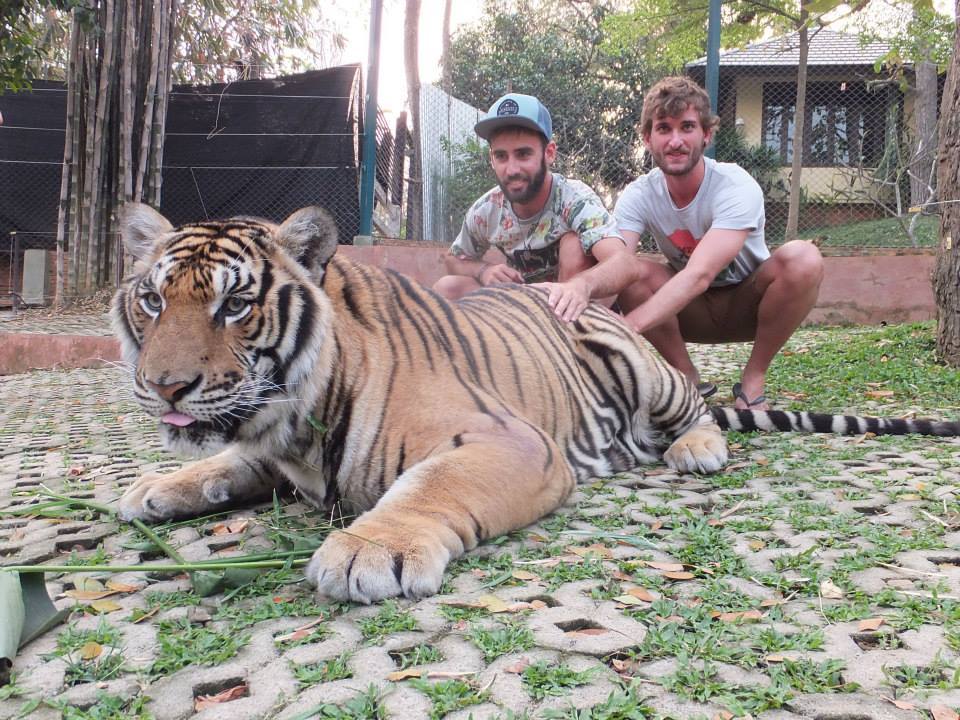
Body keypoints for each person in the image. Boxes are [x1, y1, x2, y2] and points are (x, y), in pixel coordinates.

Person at [614, 76, 824, 411]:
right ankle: (686, 377)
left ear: (707, 135)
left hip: (749, 305)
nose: (675, 141)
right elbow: (616, 264)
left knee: (804, 257)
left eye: (687, 127)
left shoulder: (735, 184)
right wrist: (579, 309)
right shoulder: (638, 194)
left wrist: (627, 327)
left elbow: (700, 274)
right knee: (630, 271)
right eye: (664, 129)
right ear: (648, 139)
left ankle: (753, 379)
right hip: (687, 313)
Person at [433, 93, 638, 322]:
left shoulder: (575, 199)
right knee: (448, 287)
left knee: (574, 245)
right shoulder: (487, 209)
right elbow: (452, 260)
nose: (511, 169)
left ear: (549, 153)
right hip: (525, 310)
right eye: (501, 156)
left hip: (577, 307)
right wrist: (484, 271)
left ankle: (569, 343)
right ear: (491, 159)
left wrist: (581, 285)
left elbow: (625, 263)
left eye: (523, 154)